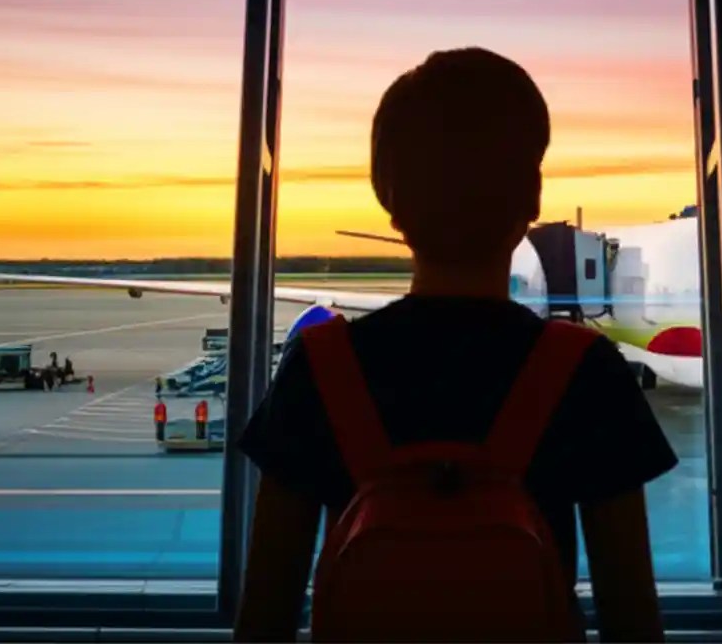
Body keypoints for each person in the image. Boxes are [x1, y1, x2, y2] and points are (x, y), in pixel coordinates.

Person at [233, 47, 677, 642]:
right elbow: (632, 616)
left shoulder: (319, 366)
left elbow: (265, 613)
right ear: (532, 197)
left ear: (391, 204)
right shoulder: (587, 371)